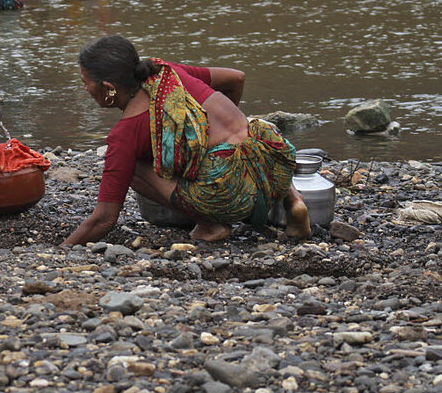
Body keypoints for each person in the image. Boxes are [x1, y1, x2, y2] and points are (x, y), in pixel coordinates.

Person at [63, 35, 311, 246]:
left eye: (86, 83)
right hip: (276, 167)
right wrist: (212, 132)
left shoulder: (125, 133)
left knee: (133, 167)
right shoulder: (167, 72)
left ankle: (211, 225)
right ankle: (294, 202)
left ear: (109, 88)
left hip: (229, 194)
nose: (85, 89)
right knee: (254, 129)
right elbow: (236, 78)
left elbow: (104, 219)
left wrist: (63, 249)